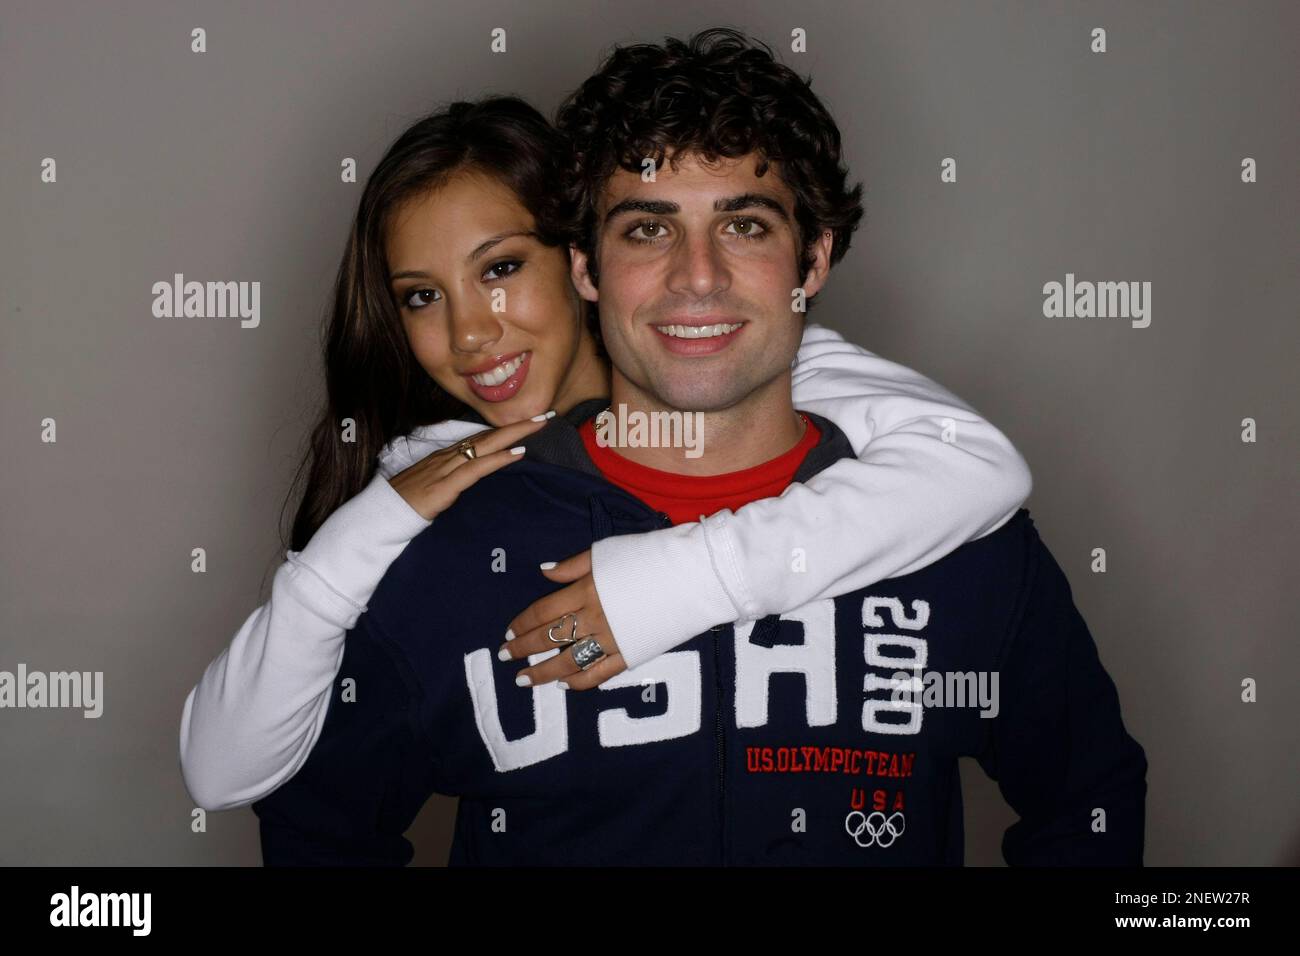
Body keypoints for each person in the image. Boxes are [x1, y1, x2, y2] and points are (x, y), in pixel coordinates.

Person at [245, 28, 1146, 866]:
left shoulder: (956, 536)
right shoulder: (450, 546)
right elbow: (315, 825)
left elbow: (1089, 801)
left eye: (746, 225)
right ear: (586, 267)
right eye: (647, 229)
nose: (698, 277)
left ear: (814, 259)